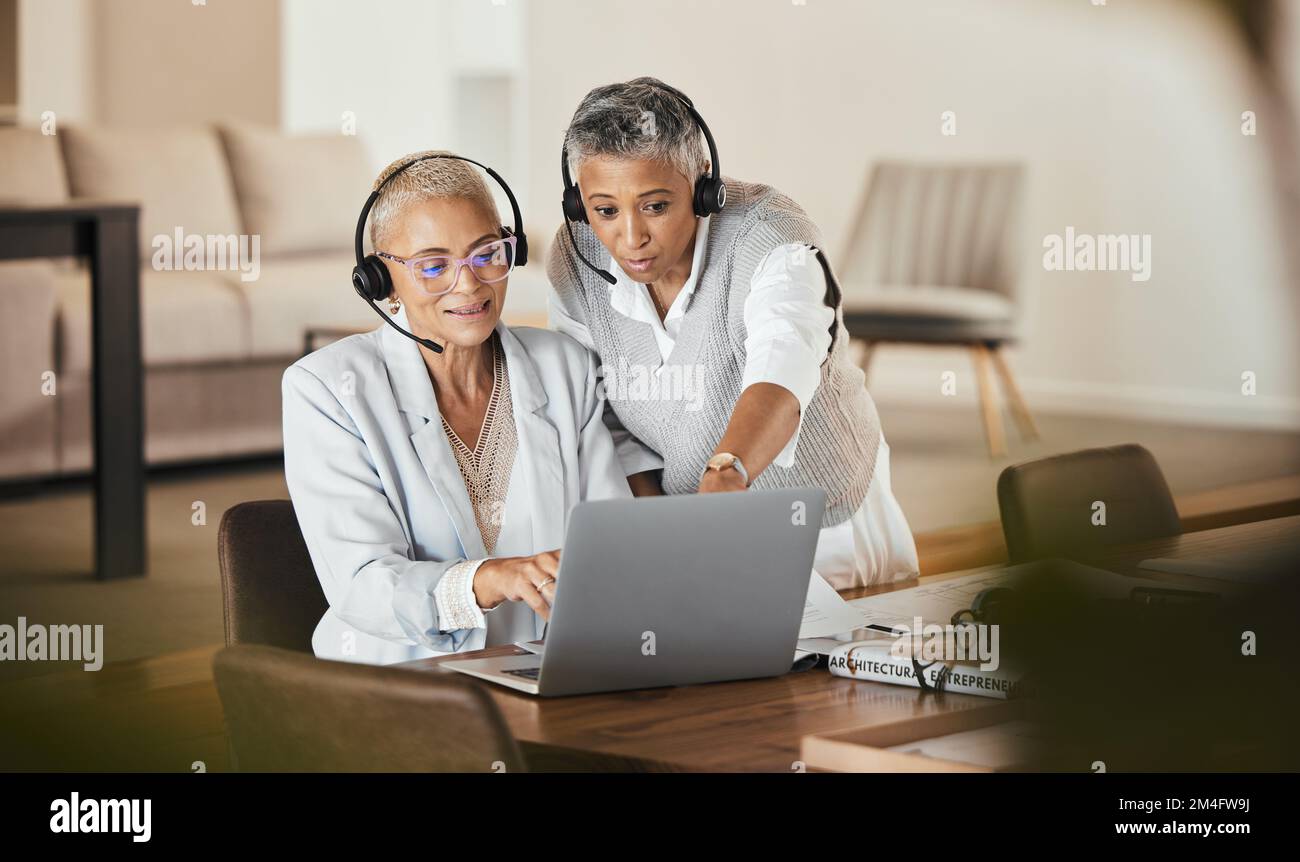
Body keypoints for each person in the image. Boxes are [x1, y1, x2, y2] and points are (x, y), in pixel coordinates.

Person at [547, 78, 919, 590]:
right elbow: (600, 415)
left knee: (833, 668)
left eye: (655, 206)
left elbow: (781, 372)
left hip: (826, 526)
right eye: (605, 210)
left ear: (702, 186)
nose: (629, 237)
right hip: (698, 529)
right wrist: (659, 532)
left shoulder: (771, 236)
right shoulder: (577, 257)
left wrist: (726, 472)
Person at [283, 151, 629, 665]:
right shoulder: (328, 389)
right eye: (433, 265)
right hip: (402, 688)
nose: (468, 284)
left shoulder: (565, 366)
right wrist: (487, 579)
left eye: (486, 252)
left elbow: (613, 541)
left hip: (544, 674)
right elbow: (363, 585)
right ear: (380, 280)